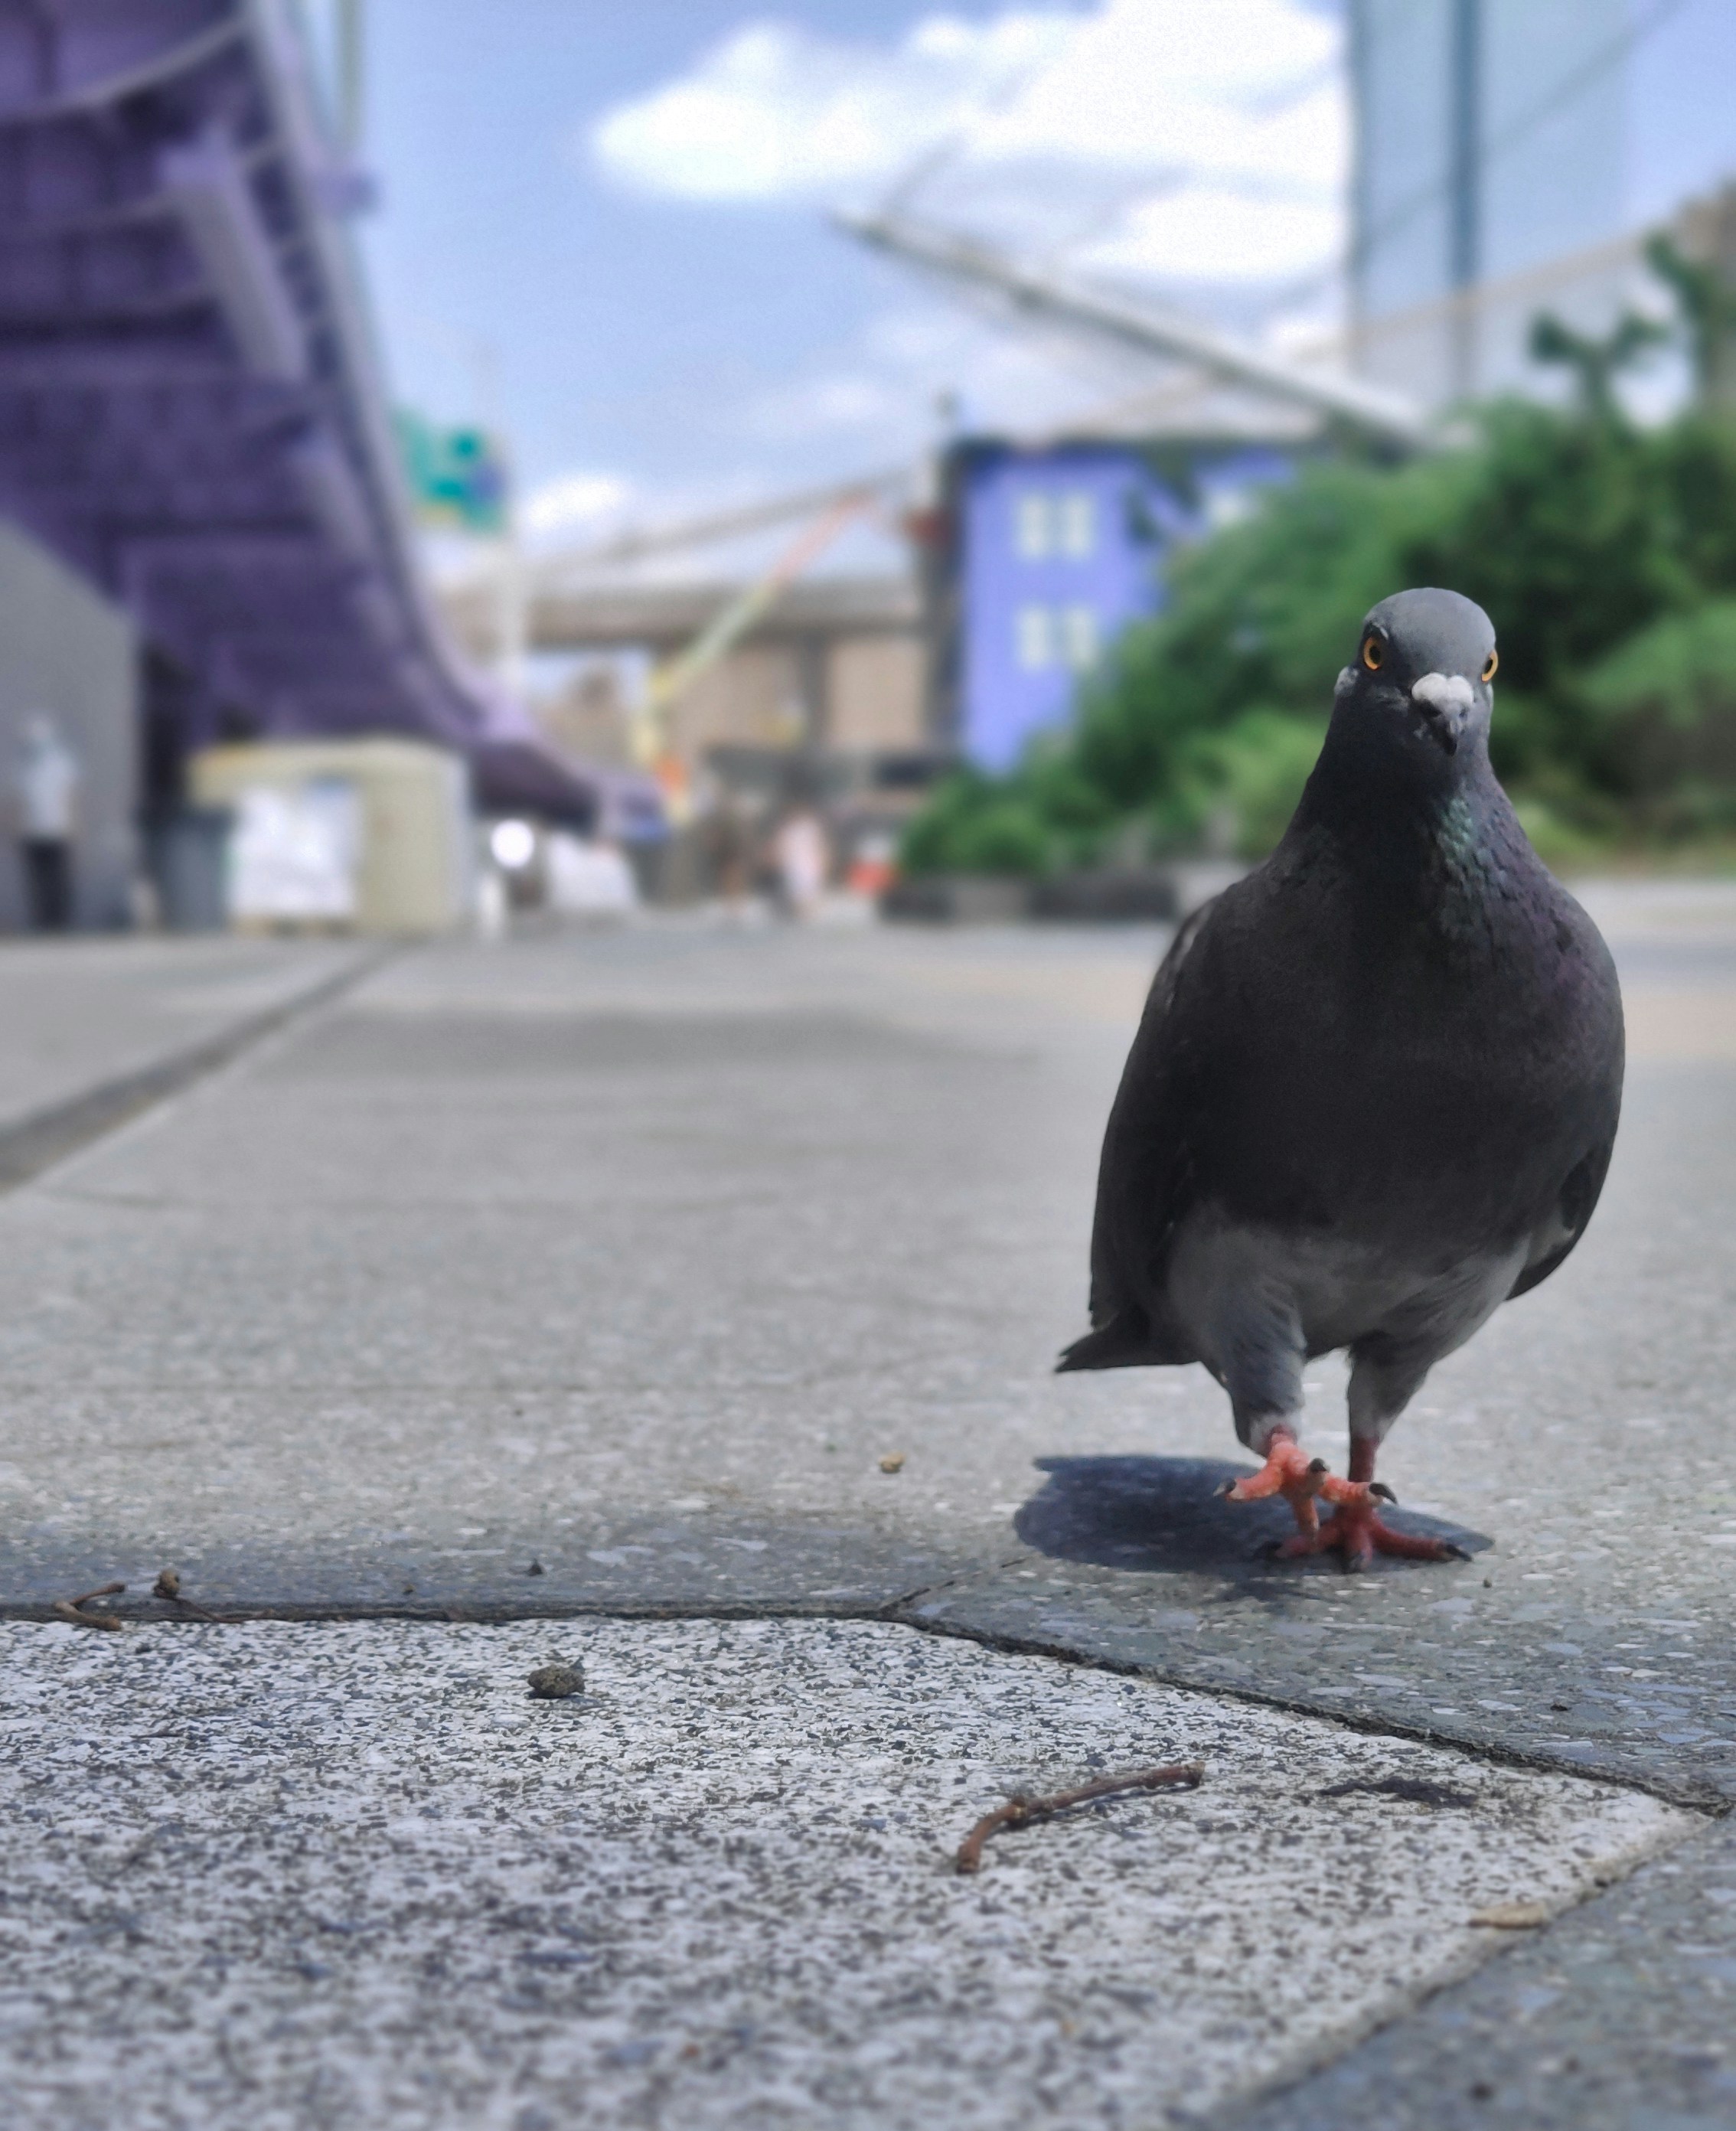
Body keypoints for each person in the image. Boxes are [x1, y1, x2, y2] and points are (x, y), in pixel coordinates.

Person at [15, 713, 78, 932]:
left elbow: (71, 796)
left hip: (57, 830)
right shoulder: (23, 767)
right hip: (32, 832)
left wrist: (74, 824)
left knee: (58, 880)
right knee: (38, 881)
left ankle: (59, 922)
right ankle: (43, 922)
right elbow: (17, 802)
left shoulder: (61, 763)